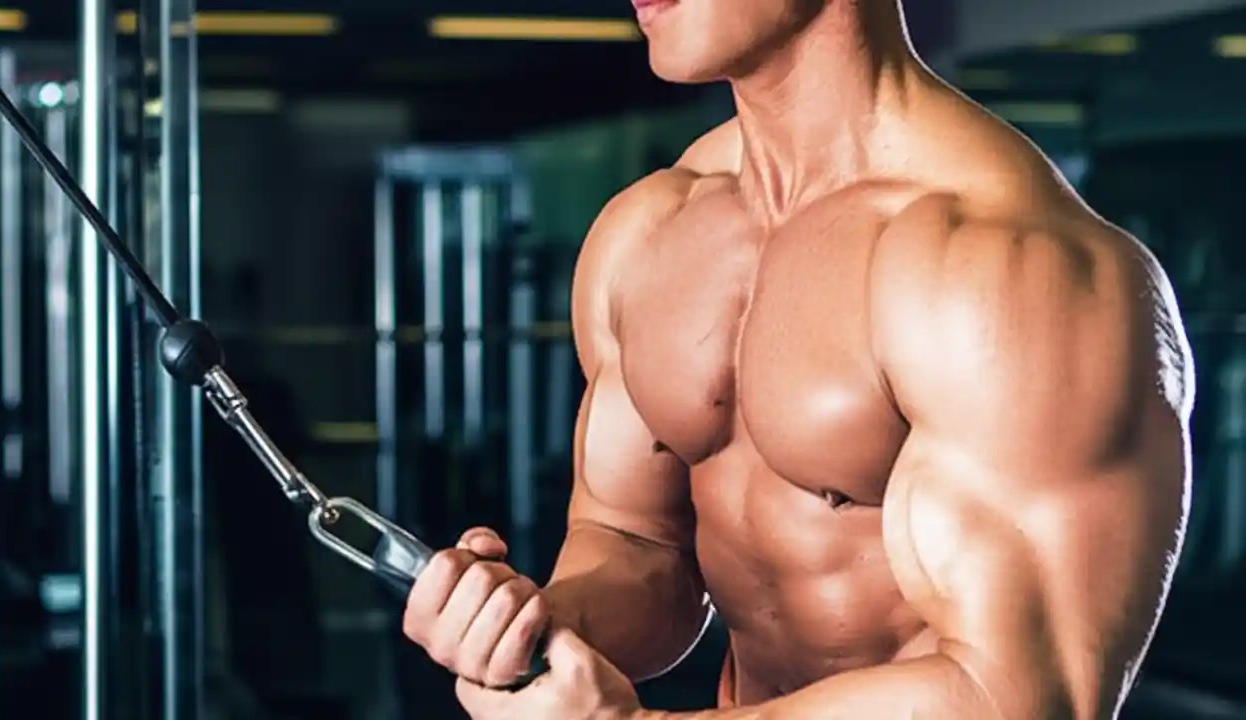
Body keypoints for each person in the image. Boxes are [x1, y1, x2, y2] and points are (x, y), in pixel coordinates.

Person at [403, 0, 1196, 718]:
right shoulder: (648, 231)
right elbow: (636, 543)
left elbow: (1024, 695)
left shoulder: (1010, 266)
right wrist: (529, 626)